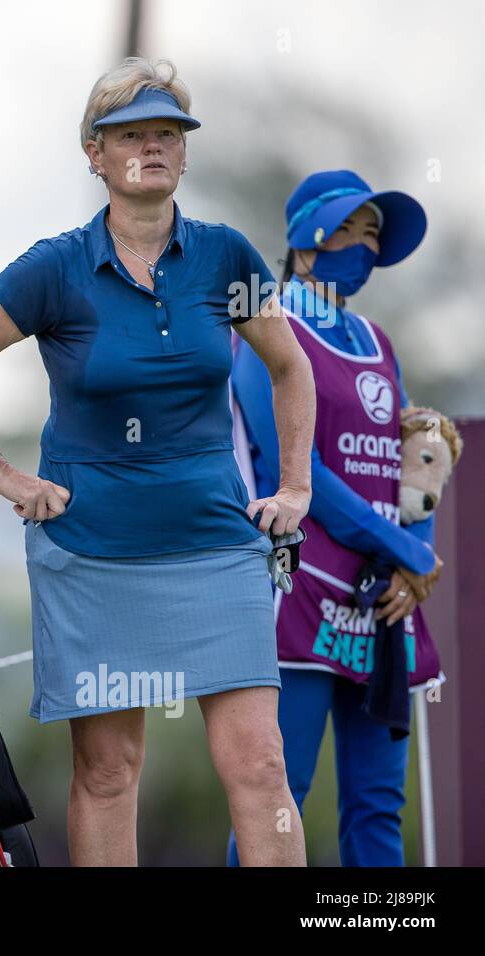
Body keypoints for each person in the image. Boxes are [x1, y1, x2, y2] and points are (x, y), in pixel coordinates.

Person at [0, 57, 318, 866]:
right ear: (95, 153)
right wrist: (5, 476)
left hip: (216, 544)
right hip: (92, 555)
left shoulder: (227, 258)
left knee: (262, 766)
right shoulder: (52, 269)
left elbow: (290, 364)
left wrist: (295, 486)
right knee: (107, 771)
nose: (152, 147)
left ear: (185, 153)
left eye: (168, 132)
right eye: (131, 134)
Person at [228, 170, 443, 866]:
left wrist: (415, 562)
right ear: (307, 241)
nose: (365, 246)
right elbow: (296, 474)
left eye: (374, 234)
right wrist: (403, 551)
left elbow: (414, 469)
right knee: (278, 795)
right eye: (351, 229)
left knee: (380, 806)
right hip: (297, 594)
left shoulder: (379, 342)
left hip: (383, 603)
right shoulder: (267, 326)